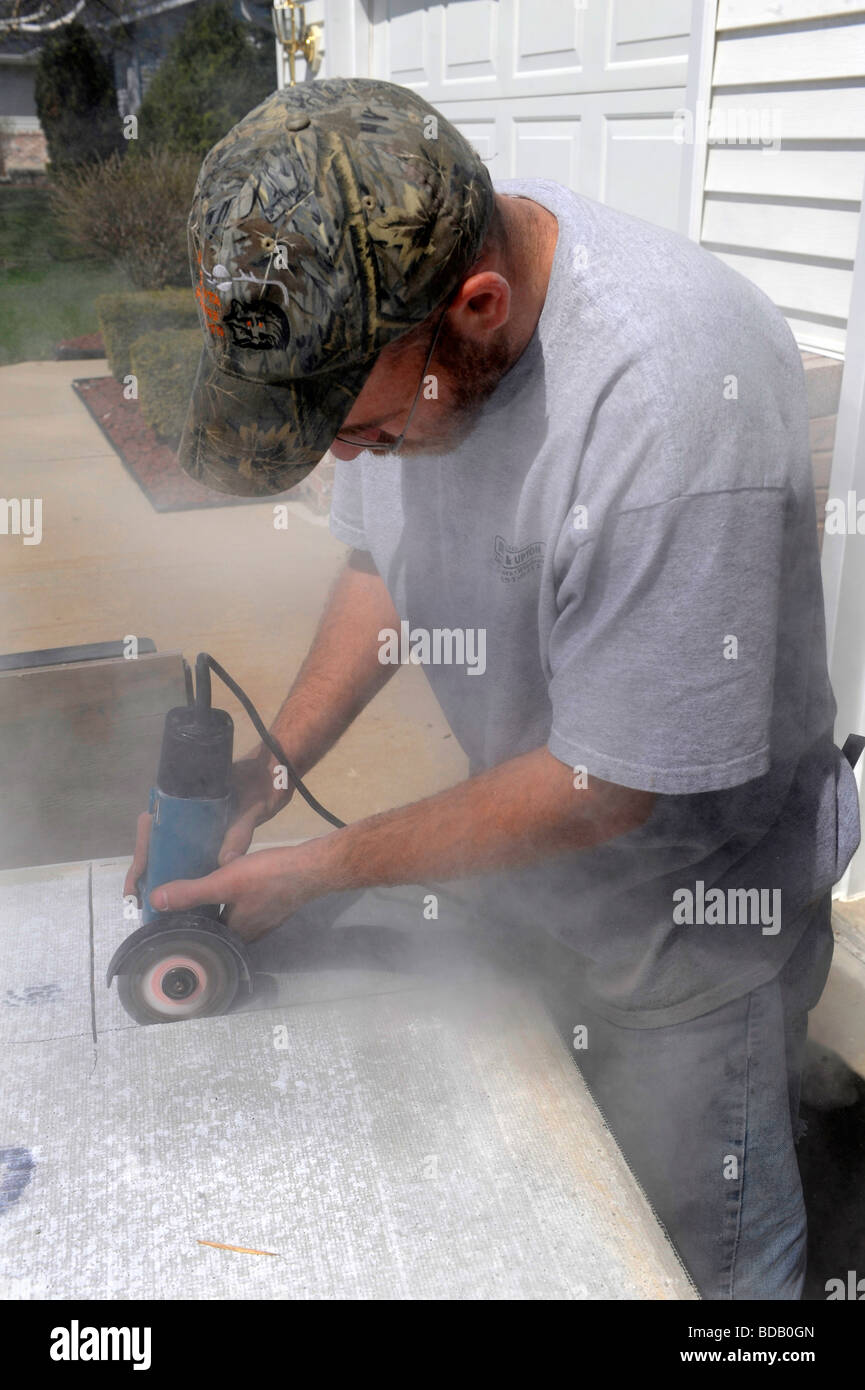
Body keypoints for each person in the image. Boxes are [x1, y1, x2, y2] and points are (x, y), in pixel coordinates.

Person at [124, 77, 861, 1299]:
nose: (348, 456)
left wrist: (316, 864)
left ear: (477, 309)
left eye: (359, 434)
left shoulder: (670, 403)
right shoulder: (403, 321)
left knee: (704, 1260)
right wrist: (271, 769)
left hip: (687, 934)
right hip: (541, 890)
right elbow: (382, 564)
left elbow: (607, 784)